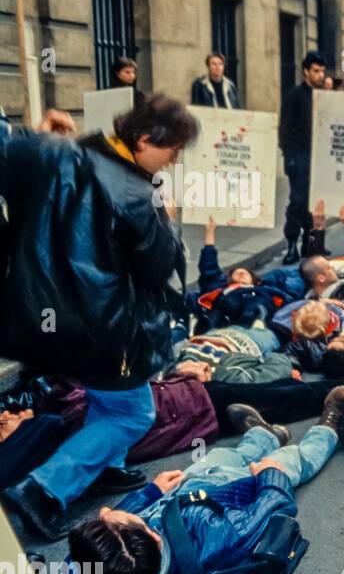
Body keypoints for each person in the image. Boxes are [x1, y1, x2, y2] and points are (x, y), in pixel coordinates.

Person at [0, 96, 197, 541]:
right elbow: (156, 266)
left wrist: (36, 130)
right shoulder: (136, 193)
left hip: (43, 314)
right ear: (146, 140)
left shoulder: (55, 150)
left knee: (109, 401)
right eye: (174, 149)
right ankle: (43, 491)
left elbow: (8, 161)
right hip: (101, 326)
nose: (176, 159)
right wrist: (168, 217)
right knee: (133, 414)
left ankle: (107, 467)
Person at [64, 387, 344, 574]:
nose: (104, 510)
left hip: (193, 486)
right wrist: (270, 476)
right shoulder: (215, 541)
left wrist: (150, 494)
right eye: (112, 517)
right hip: (241, 490)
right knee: (294, 460)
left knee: (228, 454)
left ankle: (264, 436)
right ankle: (329, 429)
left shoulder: (109, 568)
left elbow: (86, 555)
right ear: (155, 538)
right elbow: (270, 509)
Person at [279, 51, 328, 264]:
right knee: (297, 201)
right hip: (299, 158)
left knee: (314, 203)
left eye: (322, 71)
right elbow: (284, 129)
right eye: (316, 71)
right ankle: (292, 245)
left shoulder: (322, 97)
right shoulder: (294, 95)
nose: (320, 75)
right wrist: (289, 158)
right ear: (306, 71)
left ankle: (311, 245)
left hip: (318, 159)